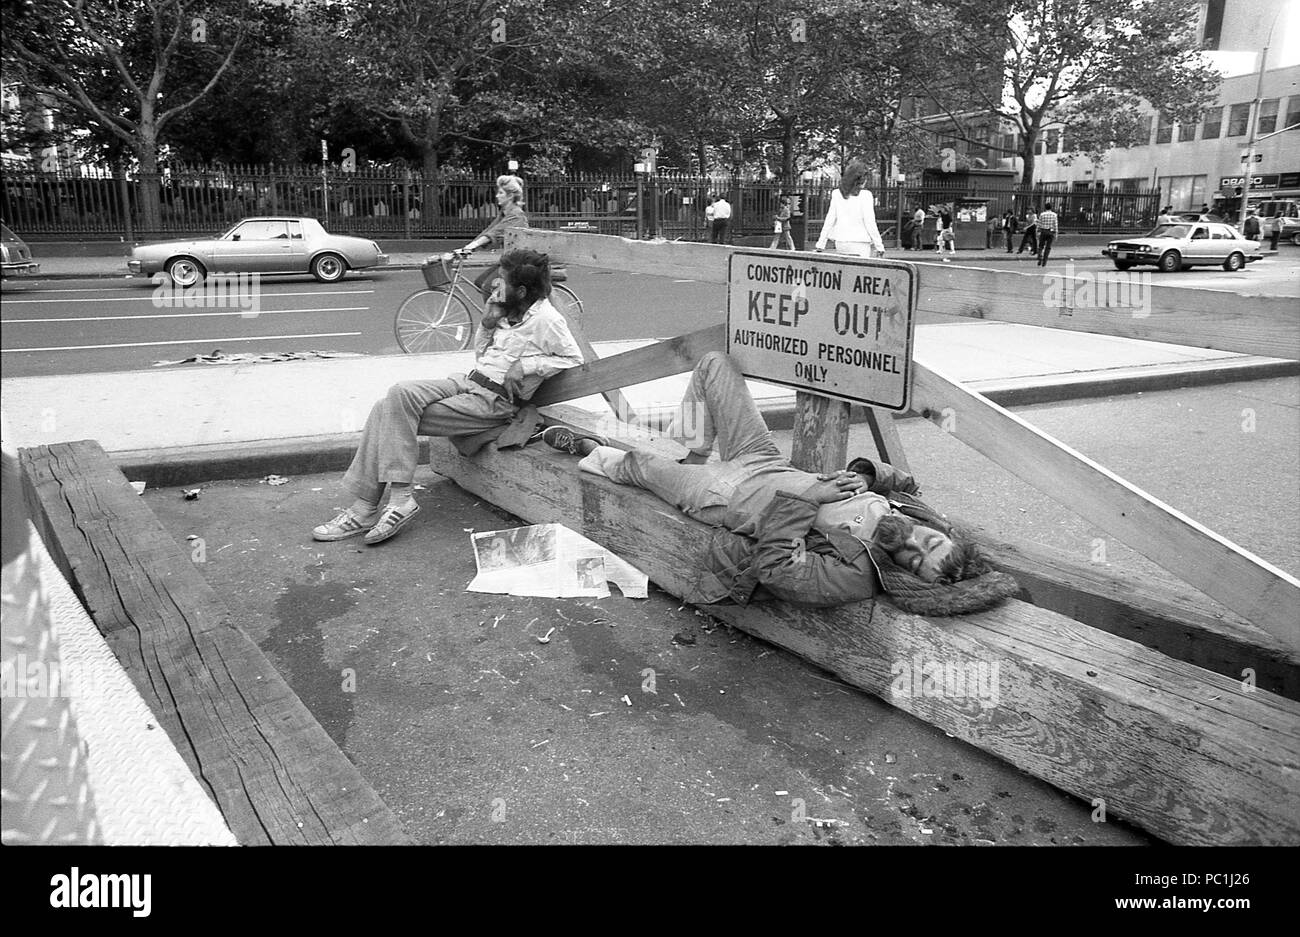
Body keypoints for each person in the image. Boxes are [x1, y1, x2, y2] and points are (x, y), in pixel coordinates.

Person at [541, 353, 1018, 614]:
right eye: (929, 541)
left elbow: (774, 565)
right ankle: (689, 453)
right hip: (763, 459)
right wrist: (870, 475)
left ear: (912, 580)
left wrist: (809, 499)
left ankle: (588, 450)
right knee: (713, 365)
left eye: (915, 561)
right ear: (943, 533)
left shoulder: (854, 578)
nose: (911, 542)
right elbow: (905, 482)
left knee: (640, 465)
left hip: (724, 498)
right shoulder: (916, 517)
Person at [313, 249, 583, 545]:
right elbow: (482, 355)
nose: (495, 286)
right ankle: (394, 500)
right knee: (399, 393)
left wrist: (528, 365)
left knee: (385, 409)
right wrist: (488, 323)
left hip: (492, 403)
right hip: (466, 382)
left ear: (520, 290)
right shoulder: (508, 309)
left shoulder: (547, 319)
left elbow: (573, 358)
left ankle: (369, 506)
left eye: (501, 282)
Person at [429, 174, 527, 299]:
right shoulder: (504, 213)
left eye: (501, 193)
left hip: (517, 262)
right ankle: (501, 310)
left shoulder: (516, 215)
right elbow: (488, 231)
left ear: (510, 196)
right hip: (508, 260)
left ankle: (499, 314)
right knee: (480, 282)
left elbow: (494, 234)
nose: (497, 196)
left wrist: (472, 246)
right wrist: (468, 248)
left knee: (489, 287)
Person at [814, 158, 885, 257]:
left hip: (841, 242)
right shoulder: (866, 195)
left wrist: (821, 244)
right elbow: (870, 222)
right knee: (860, 271)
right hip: (860, 242)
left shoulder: (837, 194)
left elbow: (829, 220)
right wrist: (879, 246)